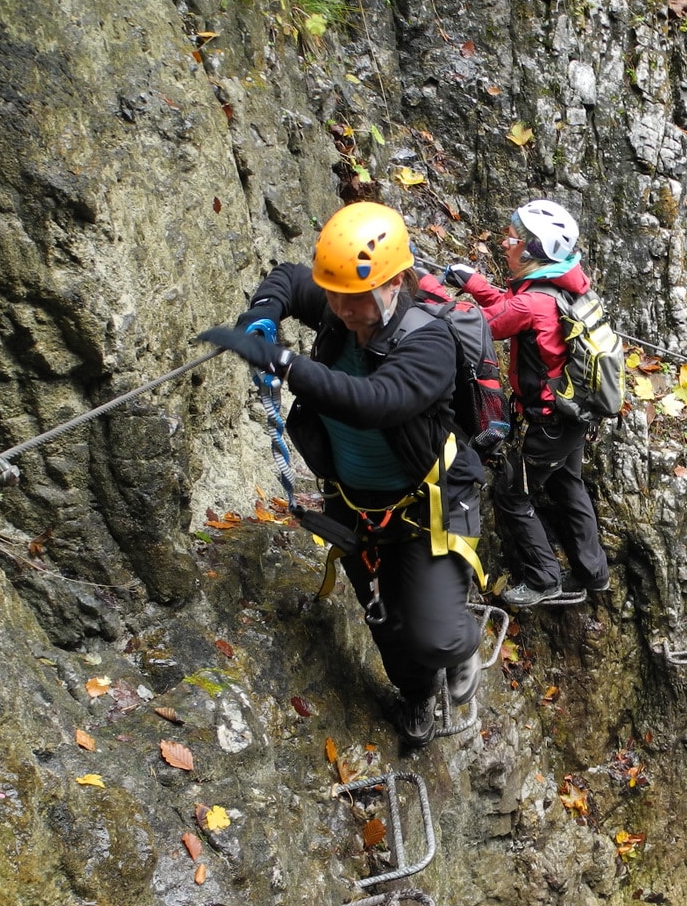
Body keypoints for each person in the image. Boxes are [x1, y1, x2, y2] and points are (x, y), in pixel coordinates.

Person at [198, 201, 485, 747]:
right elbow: (286, 279)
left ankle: (458, 649)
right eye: (333, 295)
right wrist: (262, 313)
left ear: (395, 283)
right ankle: (418, 696)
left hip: (425, 510)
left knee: (437, 636)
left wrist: (283, 362)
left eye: (352, 298)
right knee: (383, 620)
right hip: (352, 504)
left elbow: (373, 402)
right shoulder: (342, 302)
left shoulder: (430, 341)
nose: (338, 308)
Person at [421, 199, 610, 607]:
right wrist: (473, 282)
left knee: (512, 495)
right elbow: (512, 308)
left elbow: (475, 327)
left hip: (548, 423)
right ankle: (594, 574)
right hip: (573, 416)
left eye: (514, 238)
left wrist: (431, 290)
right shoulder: (564, 286)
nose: (506, 243)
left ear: (532, 251)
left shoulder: (533, 301)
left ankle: (545, 580)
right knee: (567, 483)